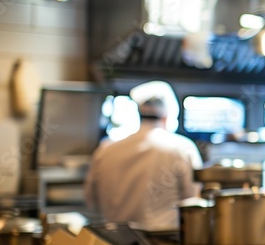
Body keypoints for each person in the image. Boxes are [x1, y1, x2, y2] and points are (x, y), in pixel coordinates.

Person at [84, 92, 203, 232]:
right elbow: (193, 200)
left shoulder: (106, 150)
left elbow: (91, 200)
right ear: (167, 117)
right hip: (165, 240)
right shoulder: (182, 147)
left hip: (115, 240)